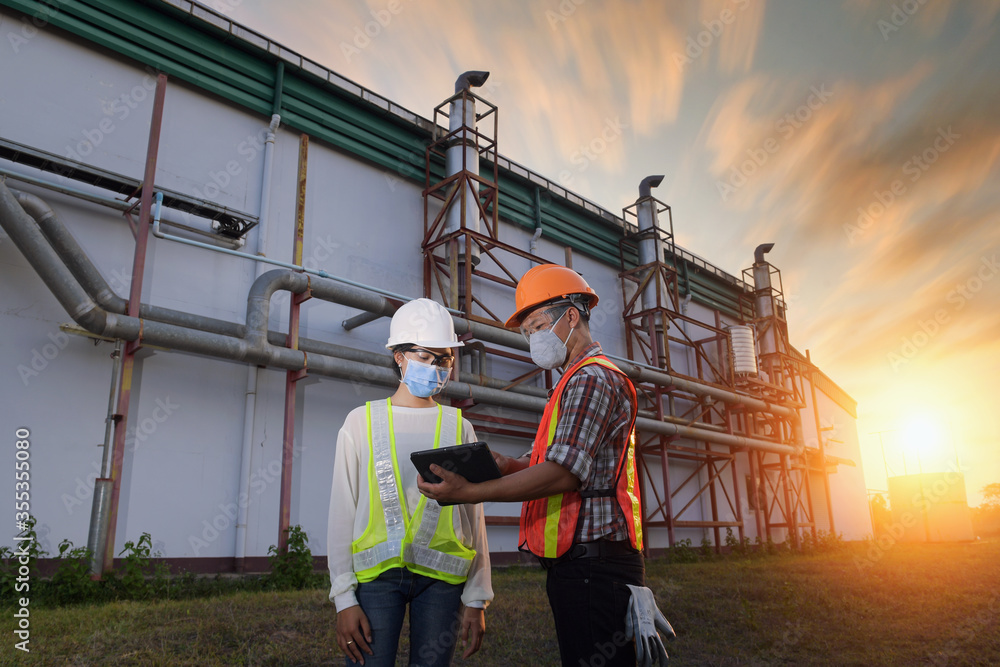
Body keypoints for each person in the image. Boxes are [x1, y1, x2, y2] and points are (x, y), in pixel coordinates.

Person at [417, 264, 646, 666]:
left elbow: (563, 473)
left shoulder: (591, 379)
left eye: (538, 326)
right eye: (527, 334)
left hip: (595, 567)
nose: (533, 340)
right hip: (584, 566)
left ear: (571, 316)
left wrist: (470, 493)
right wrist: (508, 466)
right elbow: (555, 461)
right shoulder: (572, 381)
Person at [327, 298, 493, 667]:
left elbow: (473, 515)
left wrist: (477, 597)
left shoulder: (458, 426)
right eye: (424, 356)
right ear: (399, 357)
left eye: (444, 358)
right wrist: (344, 599)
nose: (436, 367)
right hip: (376, 579)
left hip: (443, 582)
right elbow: (342, 510)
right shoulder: (360, 422)